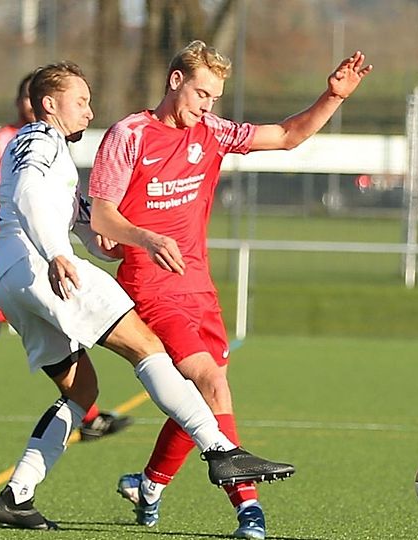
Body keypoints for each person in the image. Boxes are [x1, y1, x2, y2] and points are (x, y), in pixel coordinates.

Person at [0, 61, 294, 531]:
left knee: (82, 391)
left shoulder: (44, 149)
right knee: (147, 348)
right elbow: (28, 196)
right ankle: (221, 451)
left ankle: (16, 495)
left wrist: (94, 238)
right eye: (81, 101)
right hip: (40, 268)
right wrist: (57, 254)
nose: (89, 111)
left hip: (10, 282)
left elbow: (67, 209)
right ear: (49, 104)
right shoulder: (40, 140)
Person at [89, 40, 372, 539]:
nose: (207, 105)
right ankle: (249, 511)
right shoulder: (128, 135)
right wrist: (146, 236)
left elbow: (286, 136)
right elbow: (103, 214)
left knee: (202, 394)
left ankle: (148, 485)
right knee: (212, 384)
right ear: (175, 81)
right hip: (150, 288)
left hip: (199, 288)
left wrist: (333, 97)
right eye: (201, 93)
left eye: (215, 98)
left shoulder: (212, 132)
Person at [0, 72, 132, 442]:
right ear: (26, 102)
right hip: (12, 256)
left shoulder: (51, 142)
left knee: (61, 328)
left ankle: (88, 414)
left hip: (40, 257)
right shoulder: (6, 141)